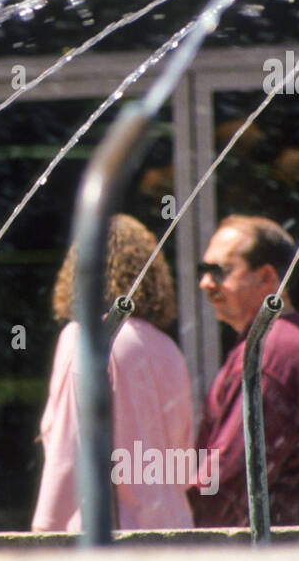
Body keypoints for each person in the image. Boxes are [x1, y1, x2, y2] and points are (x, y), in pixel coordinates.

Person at [32, 214, 195, 532]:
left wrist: (47, 529)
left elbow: (69, 446)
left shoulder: (85, 339)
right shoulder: (167, 348)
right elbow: (182, 457)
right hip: (172, 532)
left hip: (109, 538)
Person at [187, 214, 299, 526]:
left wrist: (181, 529)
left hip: (270, 557)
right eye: (203, 271)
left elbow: (230, 476)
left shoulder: (270, 352)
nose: (206, 283)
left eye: (220, 271)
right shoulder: (298, 340)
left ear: (266, 277)